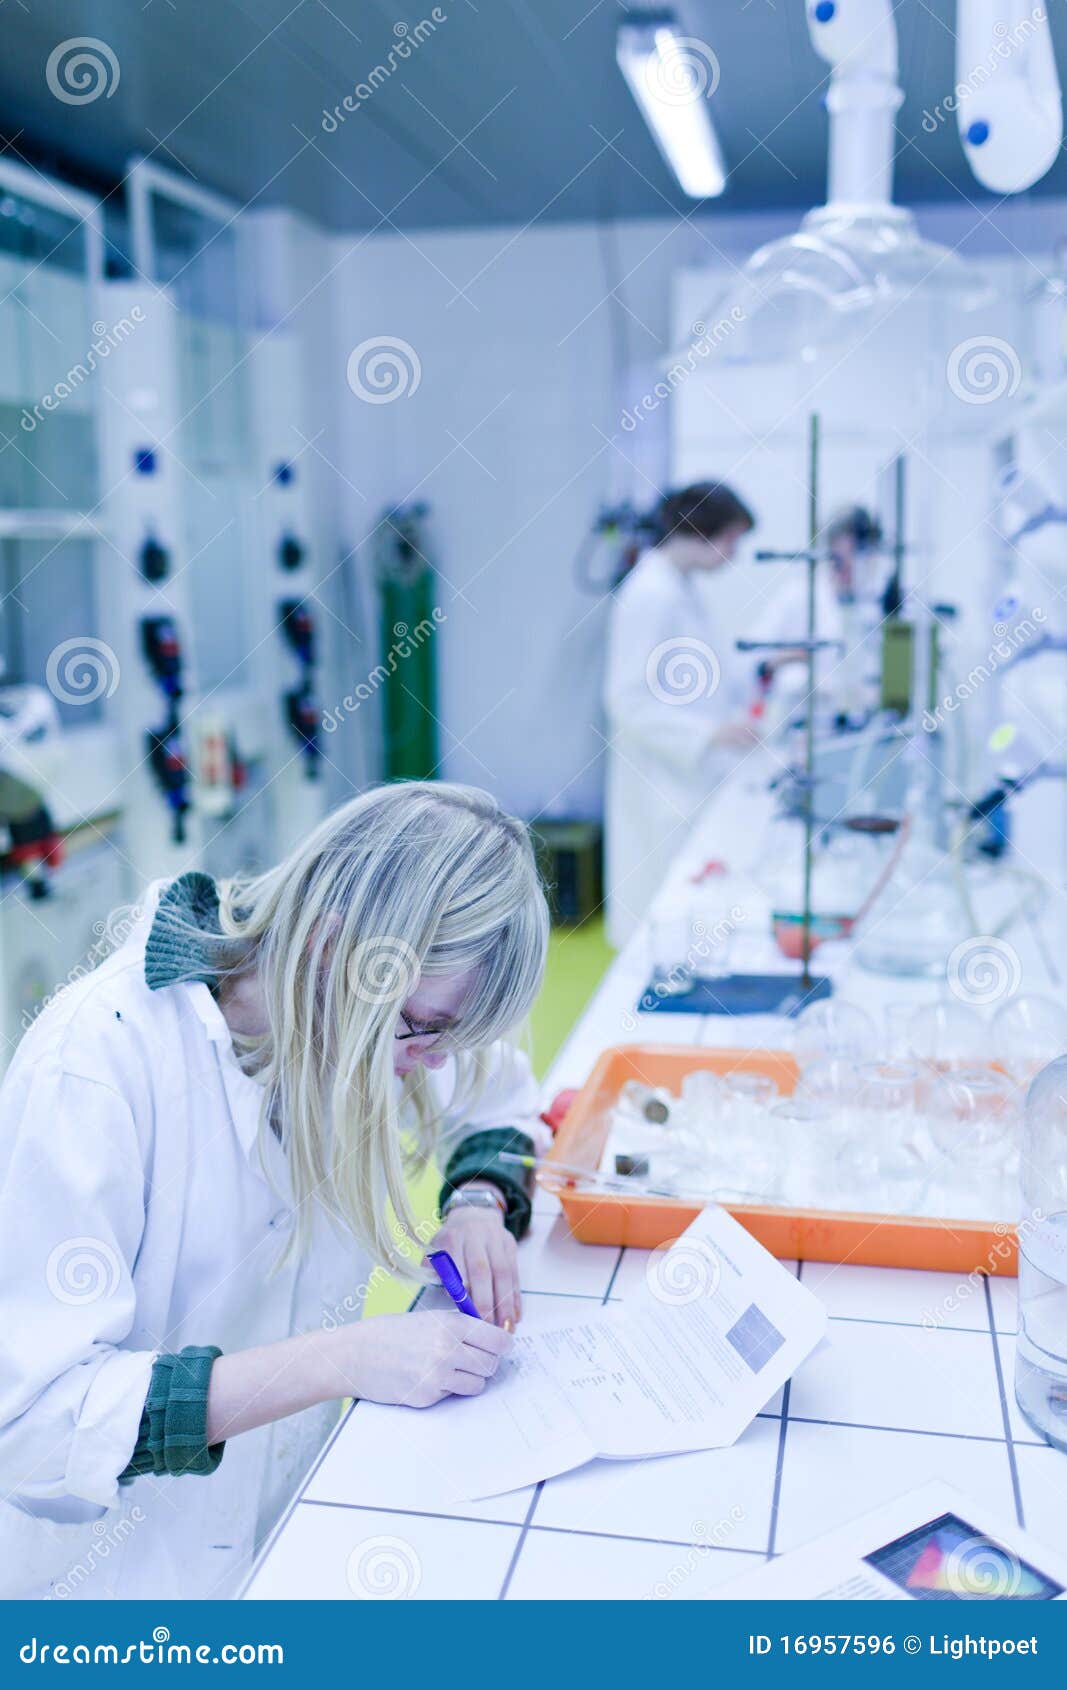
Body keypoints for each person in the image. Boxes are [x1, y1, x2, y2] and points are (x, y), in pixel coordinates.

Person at [0, 782, 550, 1599]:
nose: (435, 1060)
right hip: (116, 1588)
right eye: (423, 1029)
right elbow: (35, 1429)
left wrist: (476, 1203)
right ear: (331, 949)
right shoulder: (98, 1064)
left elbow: (497, 1093)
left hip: (285, 1539)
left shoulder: (361, 1006)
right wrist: (342, 1358)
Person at [603, 481, 757, 949]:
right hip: (661, 779)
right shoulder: (653, 594)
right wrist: (710, 733)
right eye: (730, 539)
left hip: (685, 775)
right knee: (657, 911)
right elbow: (624, 700)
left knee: (681, 909)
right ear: (701, 532)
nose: (733, 554)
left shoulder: (679, 588)